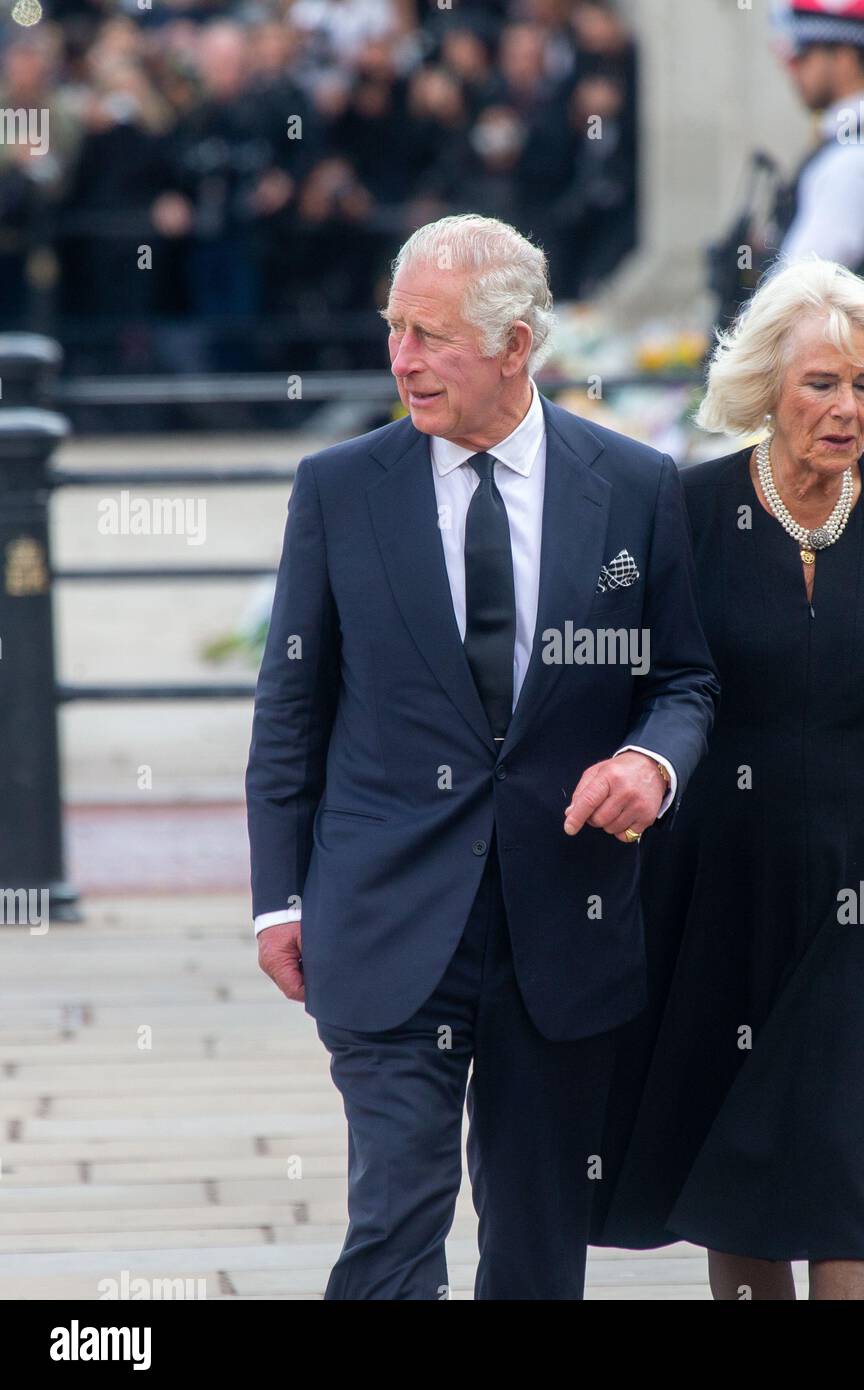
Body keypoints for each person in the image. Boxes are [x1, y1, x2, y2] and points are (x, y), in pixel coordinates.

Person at [245, 213, 719, 1301]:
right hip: (386, 912)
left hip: (564, 919)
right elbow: (291, 709)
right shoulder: (341, 489)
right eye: (396, 329)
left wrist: (652, 760)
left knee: (538, 1242)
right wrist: (277, 899)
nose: (403, 358)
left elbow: (685, 681)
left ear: (518, 346)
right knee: (393, 1225)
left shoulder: (636, 485)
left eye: (434, 334)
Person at [591, 257, 864, 1300]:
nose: (846, 409)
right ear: (767, 390)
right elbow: (642, 687)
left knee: (850, 1158)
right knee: (738, 1155)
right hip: (720, 880)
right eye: (822, 385)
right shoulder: (688, 509)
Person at [772, 0, 864, 279]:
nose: (792, 71)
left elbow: (797, 284)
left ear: (845, 59)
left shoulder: (853, 160)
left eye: (802, 56)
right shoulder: (848, 144)